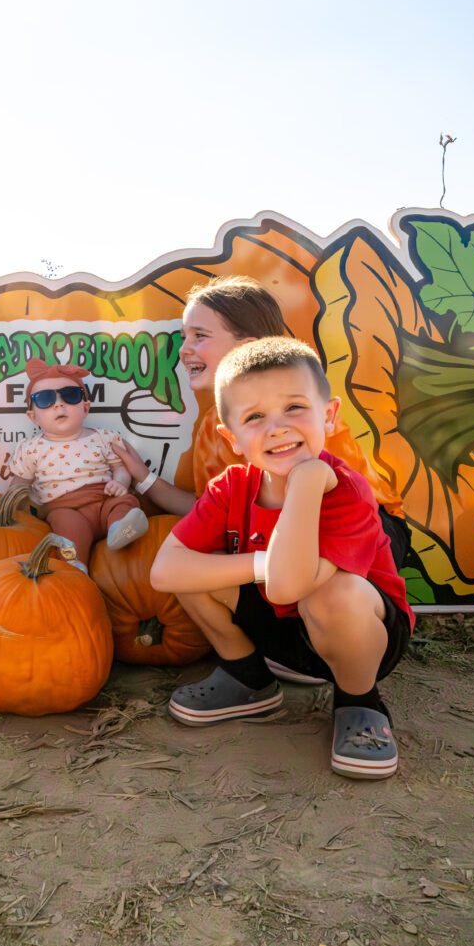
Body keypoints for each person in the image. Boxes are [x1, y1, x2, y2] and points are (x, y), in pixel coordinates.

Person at [111, 275, 410, 683]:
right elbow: (215, 511)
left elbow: (321, 520)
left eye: (199, 335)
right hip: (275, 549)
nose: (185, 349)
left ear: (248, 346)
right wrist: (145, 481)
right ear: (233, 438)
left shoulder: (304, 428)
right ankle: (252, 669)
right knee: (201, 560)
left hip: (364, 530)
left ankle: (340, 668)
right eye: (184, 337)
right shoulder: (214, 427)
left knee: (325, 590)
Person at [150, 336, 413, 779]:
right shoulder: (231, 487)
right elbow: (164, 570)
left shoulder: (345, 491)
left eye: (294, 408)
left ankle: (359, 703)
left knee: (334, 593)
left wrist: (308, 483)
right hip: (279, 625)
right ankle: (248, 677)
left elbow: (294, 586)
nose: (277, 428)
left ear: (328, 416)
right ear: (231, 438)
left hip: (359, 636)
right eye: (255, 417)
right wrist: (256, 565)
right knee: (194, 567)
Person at [7, 360, 149, 569]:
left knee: (125, 502)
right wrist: (9, 512)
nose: (59, 404)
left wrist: (120, 482)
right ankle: (74, 564)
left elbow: (120, 467)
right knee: (68, 528)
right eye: (45, 399)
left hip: (104, 498)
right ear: (33, 416)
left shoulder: (103, 437)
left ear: (85, 408)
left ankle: (120, 530)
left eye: (70, 395)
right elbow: (19, 484)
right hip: (64, 507)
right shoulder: (31, 448)